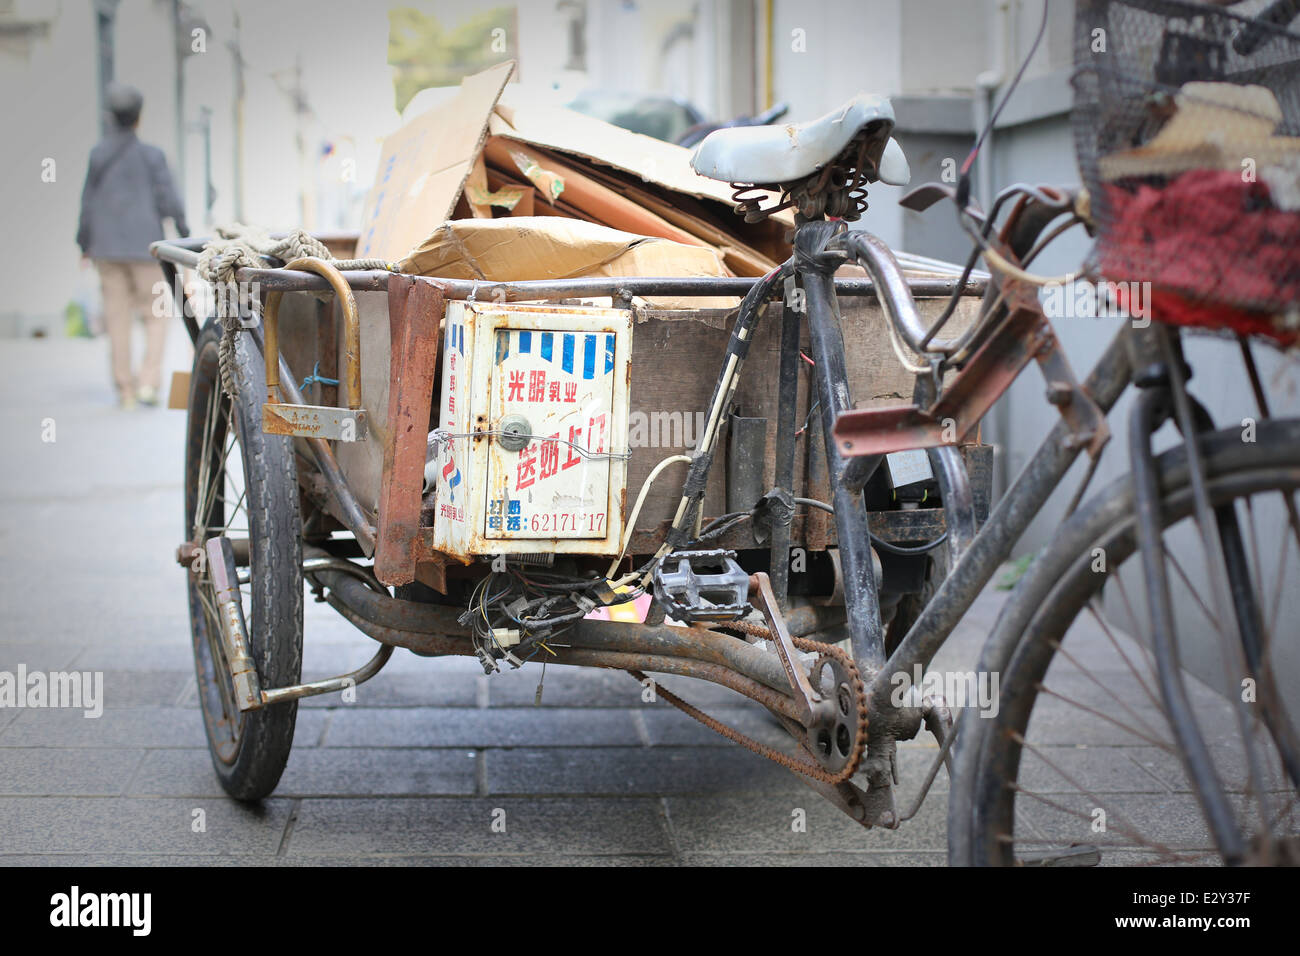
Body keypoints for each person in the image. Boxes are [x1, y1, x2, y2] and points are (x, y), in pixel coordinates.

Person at [76, 83, 189, 408]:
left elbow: (87, 203)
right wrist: (184, 232)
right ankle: (148, 384)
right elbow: (169, 200)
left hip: (106, 251)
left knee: (117, 318)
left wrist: (84, 243)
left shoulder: (97, 155)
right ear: (139, 118)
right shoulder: (152, 156)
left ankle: (125, 390)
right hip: (146, 248)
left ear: (111, 117)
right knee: (156, 316)